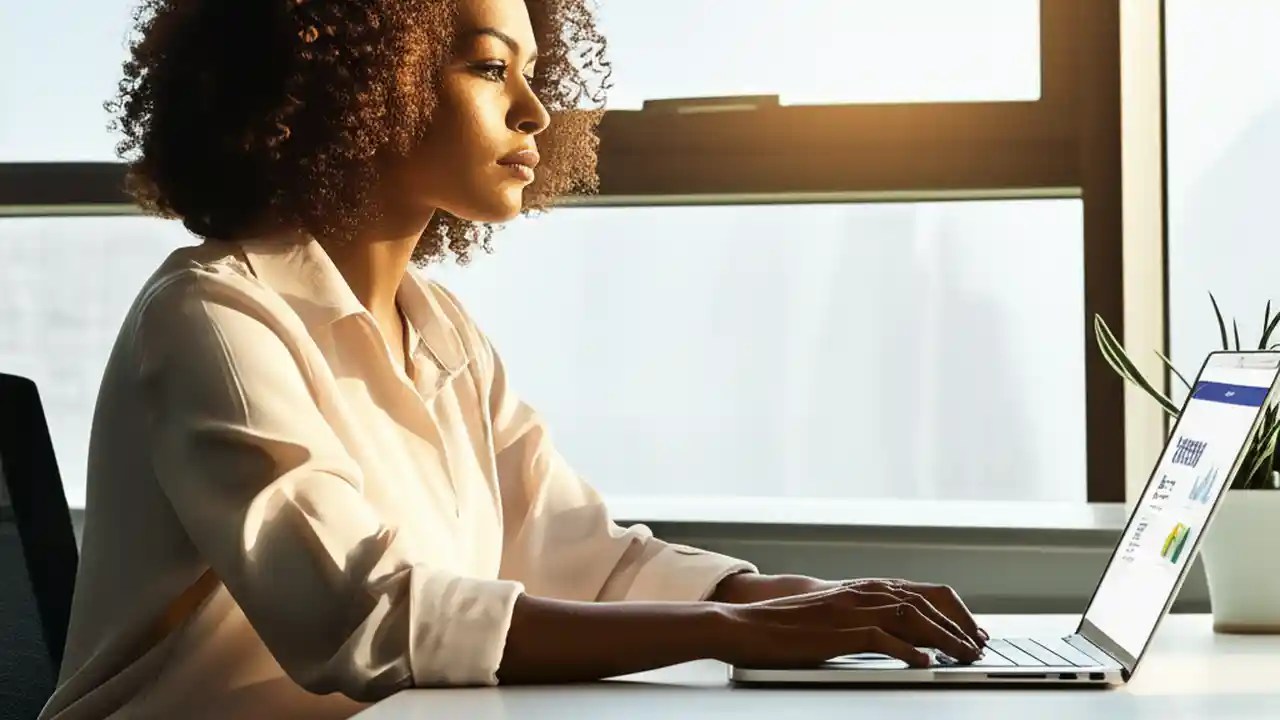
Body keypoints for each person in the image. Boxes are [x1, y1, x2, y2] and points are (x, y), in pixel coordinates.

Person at [41, 0, 988, 718]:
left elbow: (582, 556)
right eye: (491, 69)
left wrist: (800, 601)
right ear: (354, 83)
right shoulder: (211, 316)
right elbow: (364, 618)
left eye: (533, 71)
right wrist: (736, 630)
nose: (535, 111)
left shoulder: (440, 327)